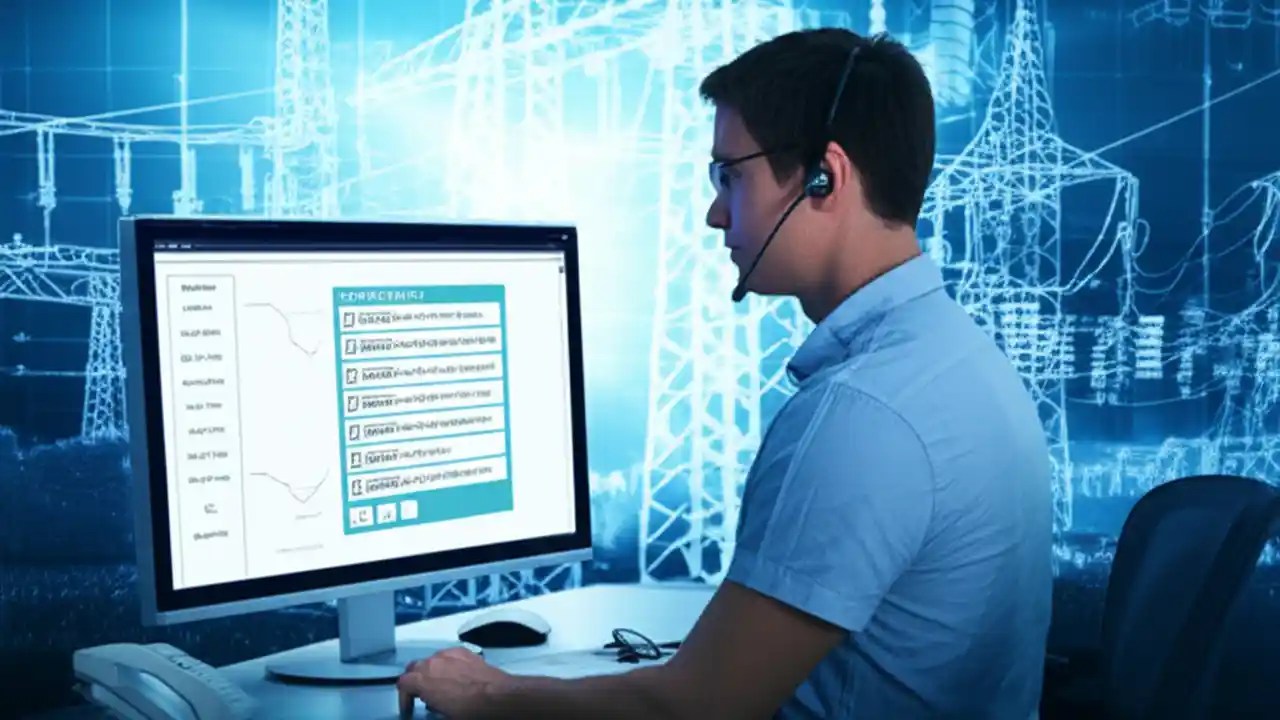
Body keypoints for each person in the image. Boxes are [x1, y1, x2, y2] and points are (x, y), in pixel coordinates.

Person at [398, 27, 1054, 720]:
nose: (715, 213)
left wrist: (492, 695)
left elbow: (693, 712)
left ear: (822, 178)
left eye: (729, 176)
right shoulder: (957, 356)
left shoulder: (862, 414)